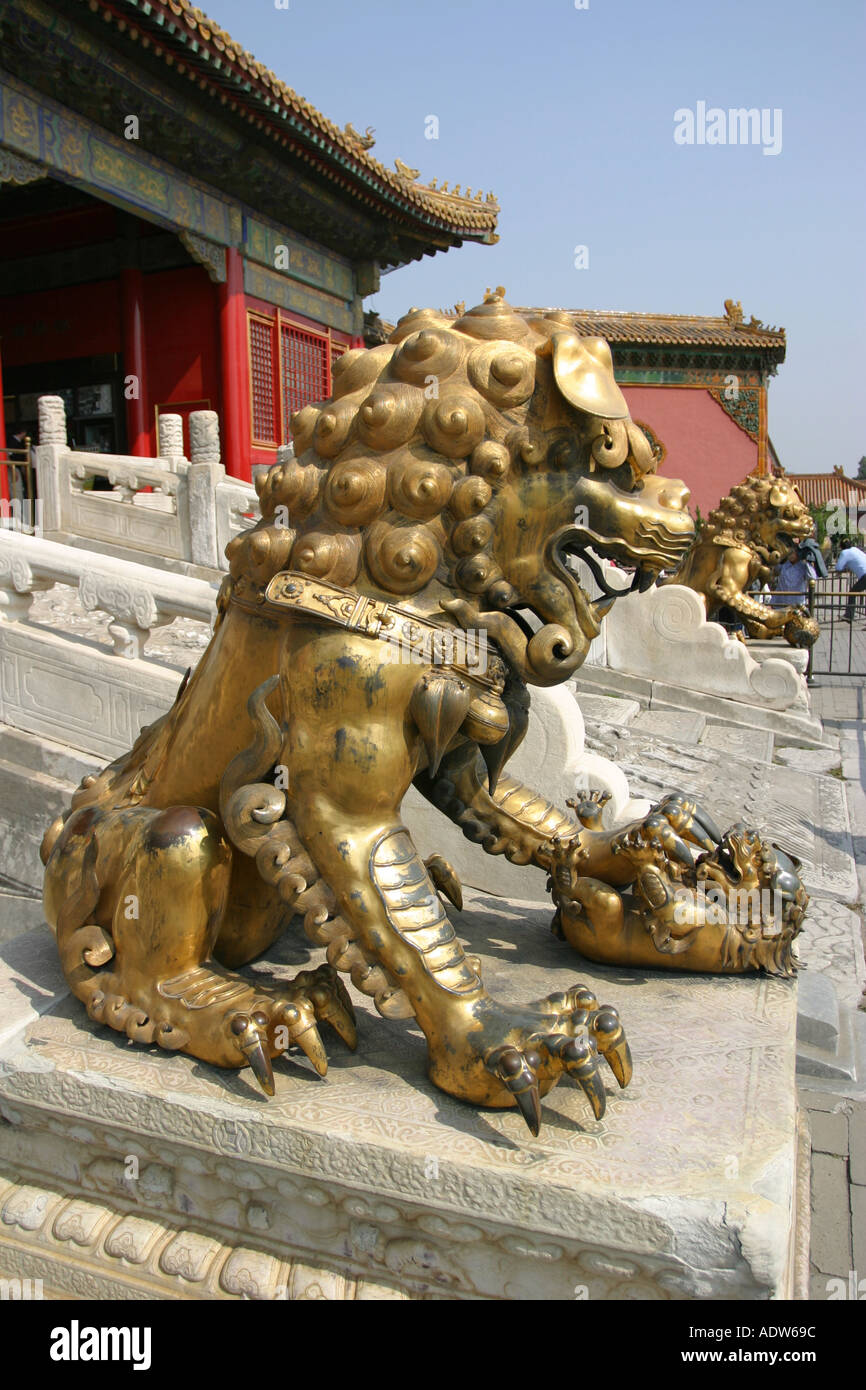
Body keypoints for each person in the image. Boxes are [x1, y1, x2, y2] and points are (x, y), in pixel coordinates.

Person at [836, 541, 866, 622]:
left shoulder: (844, 553)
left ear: (841, 547)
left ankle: (849, 615)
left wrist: (843, 569)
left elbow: (838, 567)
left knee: (852, 593)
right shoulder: (855, 549)